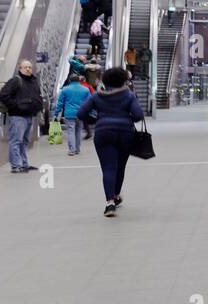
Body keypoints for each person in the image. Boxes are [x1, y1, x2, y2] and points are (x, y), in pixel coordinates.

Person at [78, 66, 144, 217]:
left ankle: (110, 203)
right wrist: (128, 119)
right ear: (123, 80)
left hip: (103, 133)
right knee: (120, 167)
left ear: (105, 80)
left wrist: (96, 120)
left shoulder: (97, 95)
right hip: (124, 134)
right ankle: (116, 195)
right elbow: (138, 114)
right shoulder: (128, 95)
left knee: (108, 168)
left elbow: (81, 113)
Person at [0, 60, 43, 172]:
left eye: (30, 67)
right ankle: (16, 165)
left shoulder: (33, 81)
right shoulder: (15, 81)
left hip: (29, 115)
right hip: (18, 116)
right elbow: (3, 95)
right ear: (20, 68)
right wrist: (16, 106)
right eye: (25, 67)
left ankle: (24, 164)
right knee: (16, 140)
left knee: (25, 141)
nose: (28, 69)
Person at [54, 73, 91, 157]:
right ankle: (77, 149)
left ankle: (72, 150)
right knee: (78, 131)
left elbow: (60, 103)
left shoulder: (65, 89)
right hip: (81, 113)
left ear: (70, 80)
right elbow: (90, 102)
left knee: (71, 131)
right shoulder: (85, 89)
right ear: (79, 80)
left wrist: (56, 113)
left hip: (69, 113)